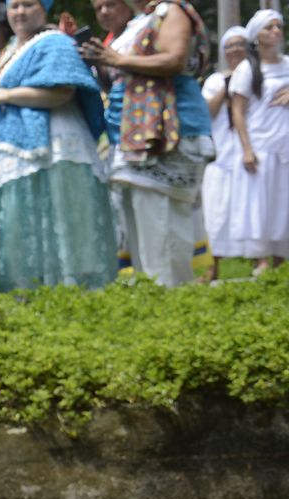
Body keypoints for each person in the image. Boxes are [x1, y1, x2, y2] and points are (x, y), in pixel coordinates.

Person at [0, 0, 114, 291]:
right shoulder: (6, 52)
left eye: (28, 4)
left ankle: (68, 293)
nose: (20, 12)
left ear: (44, 9)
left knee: (58, 220)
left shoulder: (54, 43)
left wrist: (5, 96)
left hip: (55, 142)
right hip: (6, 150)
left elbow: (61, 92)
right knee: (17, 222)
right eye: (14, 6)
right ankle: (24, 292)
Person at [79, 0, 213, 286]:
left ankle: (172, 310)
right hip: (132, 139)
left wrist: (118, 59)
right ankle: (156, 308)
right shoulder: (139, 22)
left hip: (166, 134)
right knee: (143, 237)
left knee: (162, 234)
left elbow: (174, 59)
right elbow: (119, 76)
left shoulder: (172, 10)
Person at [222, 10, 287, 274]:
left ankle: (281, 265)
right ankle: (261, 263)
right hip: (261, 145)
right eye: (268, 27)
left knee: (283, 203)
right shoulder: (248, 69)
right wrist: (247, 149)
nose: (275, 31)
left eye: (278, 26)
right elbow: (237, 110)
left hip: (285, 145)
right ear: (257, 36)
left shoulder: (287, 64)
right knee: (260, 204)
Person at [199, 24, 246, 279]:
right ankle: (212, 267)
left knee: (252, 207)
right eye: (230, 45)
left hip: (250, 153)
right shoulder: (215, 80)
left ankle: (262, 263)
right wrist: (227, 87)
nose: (235, 50)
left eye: (240, 44)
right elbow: (207, 113)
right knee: (214, 213)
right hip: (221, 155)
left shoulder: (256, 76)